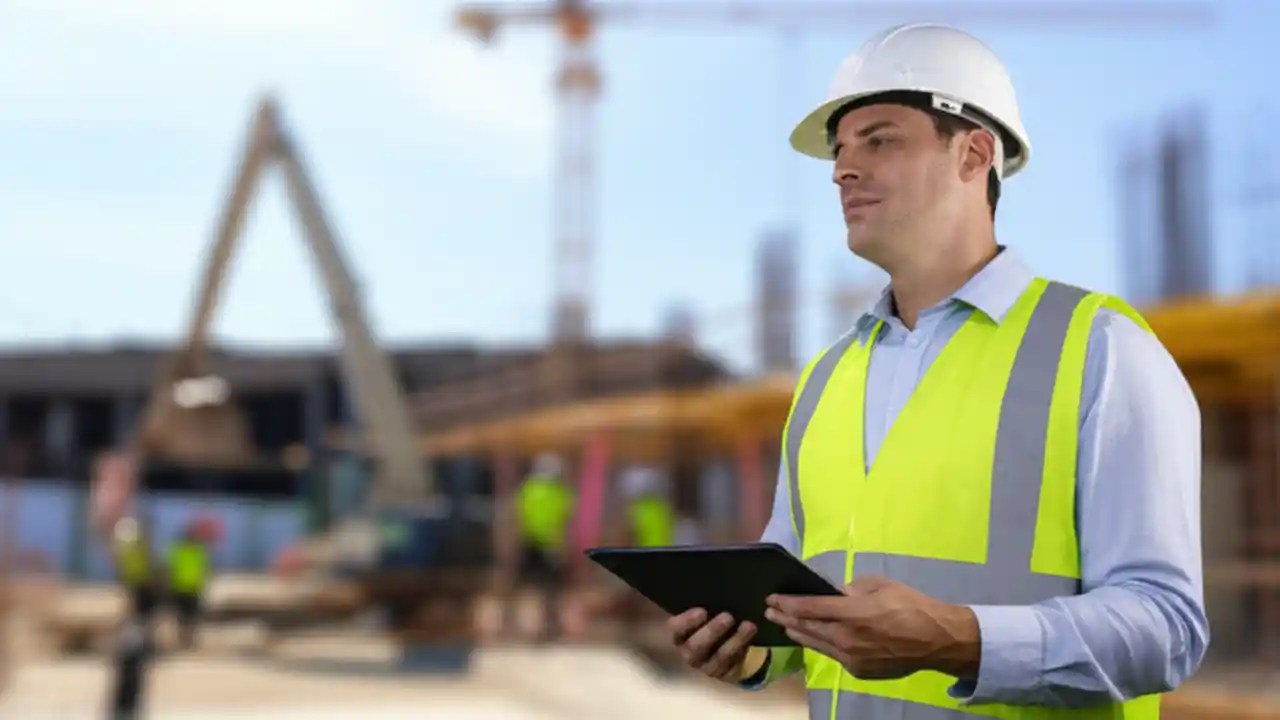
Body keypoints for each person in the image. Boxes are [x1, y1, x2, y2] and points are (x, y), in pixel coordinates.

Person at [667, 23, 1208, 719]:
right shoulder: (825, 380)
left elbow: (1167, 629)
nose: (842, 169)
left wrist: (960, 639)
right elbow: (802, 601)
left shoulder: (1101, 348)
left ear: (975, 152)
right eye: (839, 150)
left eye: (880, 139)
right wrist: (751, 648)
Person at [513, 452, 575, 641]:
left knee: (531, 589)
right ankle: (551, 627)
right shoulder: (562, 493)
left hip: (530, 544)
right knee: (553, 591)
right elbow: (566, 522)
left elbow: (518, 519)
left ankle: (531, 629)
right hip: (552, 546)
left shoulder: (526, 490)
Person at [167, 525, 210, 651]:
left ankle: (189, 640)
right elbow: (170, 568)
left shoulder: (199, 551)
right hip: (180, 588)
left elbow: (204, 569)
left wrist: (203, 583)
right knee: (181, 617)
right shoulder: (178, 550)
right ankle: (183, 639)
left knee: (192, 616)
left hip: (193, 589)